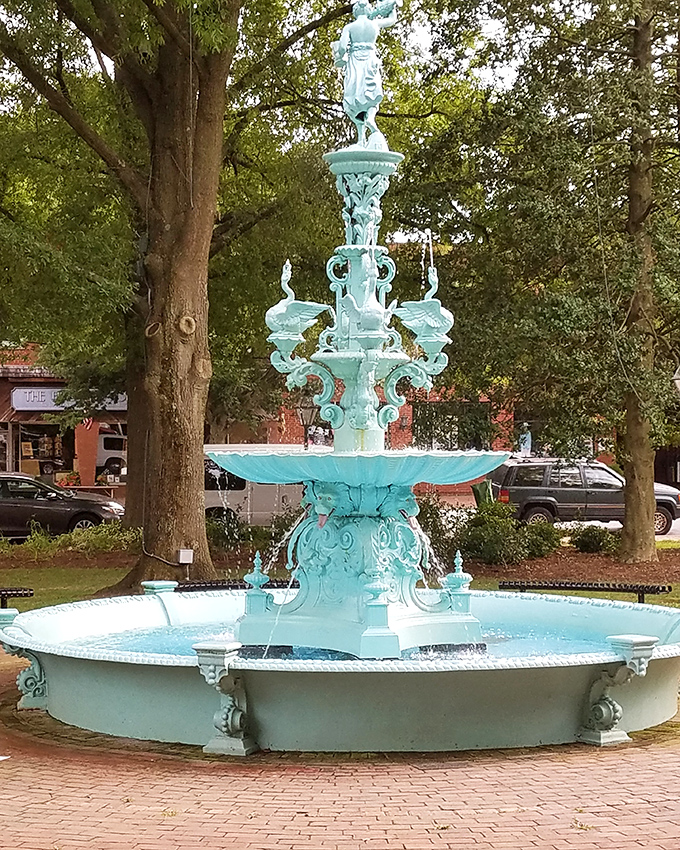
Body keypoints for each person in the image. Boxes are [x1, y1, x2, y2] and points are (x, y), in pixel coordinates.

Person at [331, 0, 399, 146]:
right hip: (370, 61)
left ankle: (361, 137)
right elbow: (393, 20)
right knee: (371, 94)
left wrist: (339, 53)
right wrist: (393, 6)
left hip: (355, 62)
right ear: (368, 10)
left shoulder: (349, 27)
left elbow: (342, 48)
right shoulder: (374, 24)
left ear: (355, 12)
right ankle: (370, 120)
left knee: (354, 97)